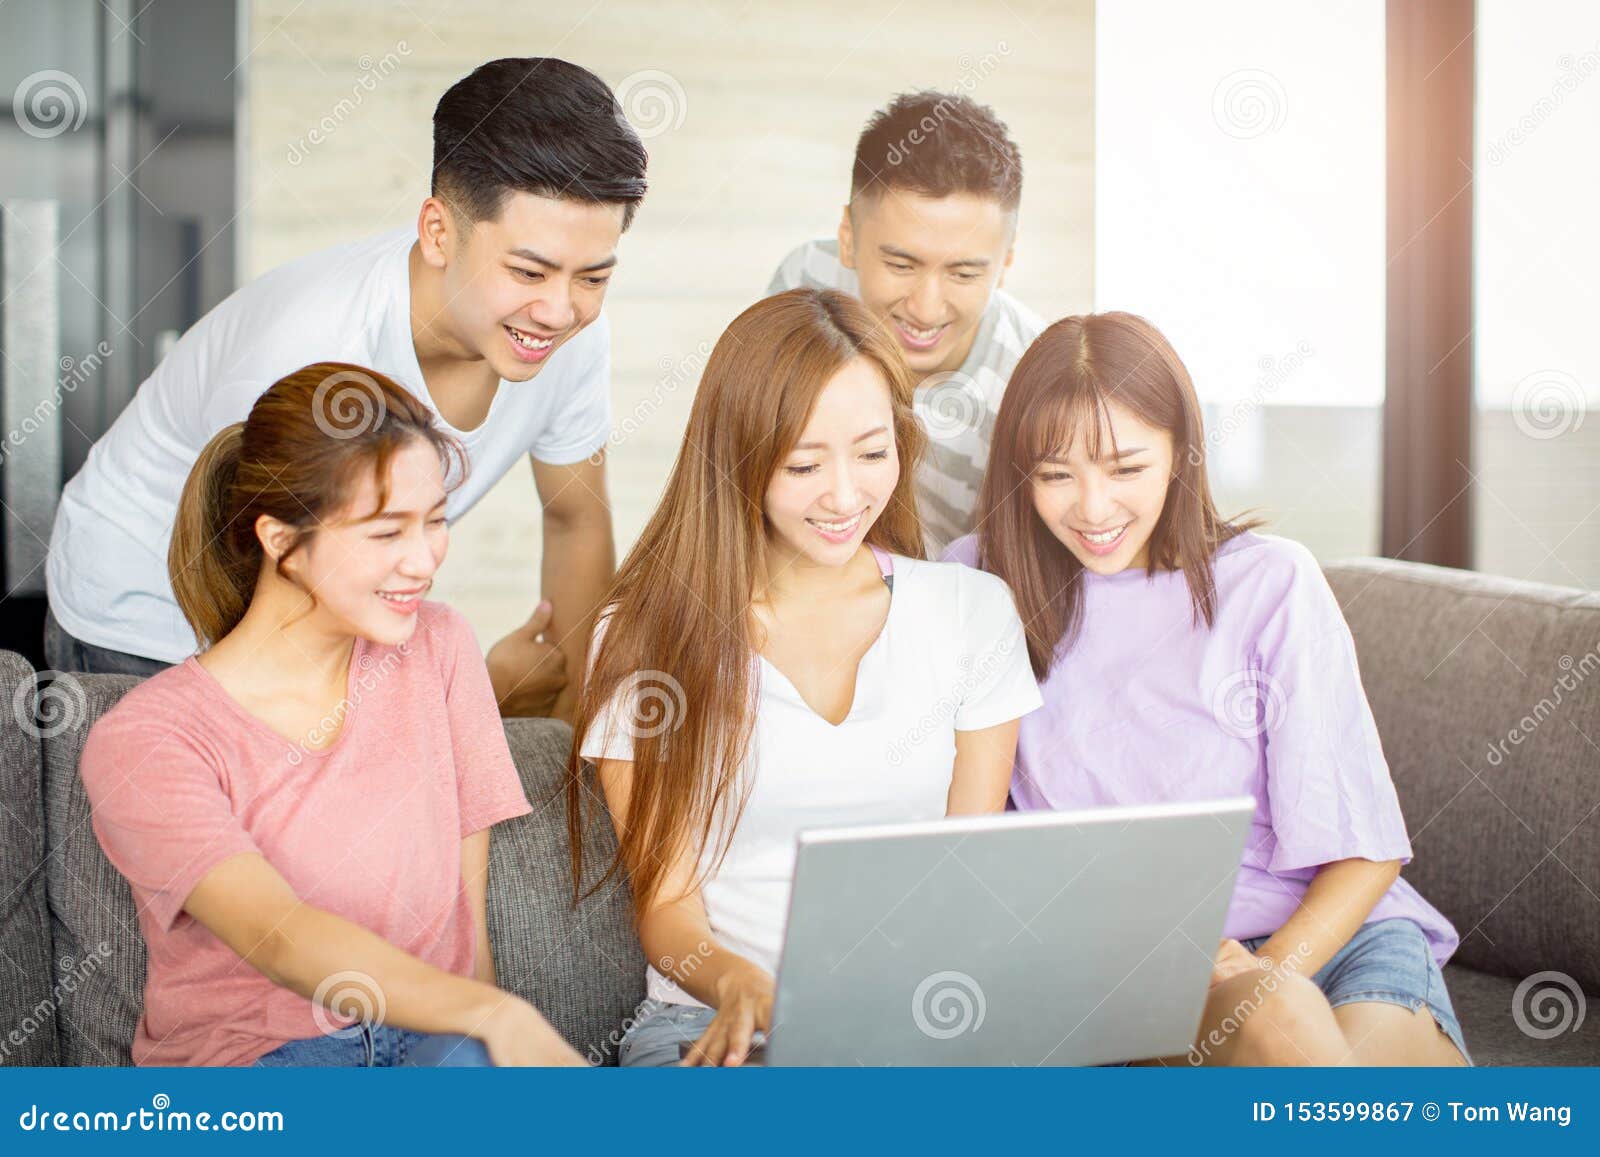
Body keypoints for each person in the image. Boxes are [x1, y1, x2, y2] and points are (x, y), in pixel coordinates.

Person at [47, 57, 647, 720]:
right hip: (154, 614)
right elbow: (271, 606)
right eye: (529, 272)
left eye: (593, 277)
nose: (559, 312)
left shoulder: (572, 334)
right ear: (438, 233)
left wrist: (568, 730)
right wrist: (480, 695)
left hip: (317, 597)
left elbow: (574, 517)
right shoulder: (314, 350)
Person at [946, 312, 1470, 1066]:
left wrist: (1268, 970)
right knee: (1288, 1038)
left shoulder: (1271, 581)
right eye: (1056, 475)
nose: (1093, 508)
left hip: (1338, 940)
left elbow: (1365, 853)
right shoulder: (976, 582)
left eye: (1126, 468)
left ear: (1180, 455)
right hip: (1150, 971)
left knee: (1349, 1083)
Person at [568, 289, 1042, 1067]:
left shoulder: (971, 611)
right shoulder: (647, 634)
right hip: (711, 1024)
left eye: (872, 452)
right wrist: (737, 982)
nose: (845, 496)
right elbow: (667, 911)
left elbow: (963, 872)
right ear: (738, 458)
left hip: (908, 1025)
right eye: (804, 464)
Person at [80, 363, 583, 1067]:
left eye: (435, 521)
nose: (424, 560)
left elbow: (464, 916)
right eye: (385, 533)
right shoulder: (147, 739)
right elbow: (279, 936)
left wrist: (490, 1050)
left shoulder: (438, 646)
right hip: (259, 1063)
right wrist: (493, 1015)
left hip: (433, 1041)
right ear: (280, 540)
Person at [767, 91, 1043, 553]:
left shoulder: (1033, 382)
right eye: (901, 265)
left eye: (964, 273)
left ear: (1005, 264)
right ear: (848, 238)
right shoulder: (806, 282)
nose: (926, 309)